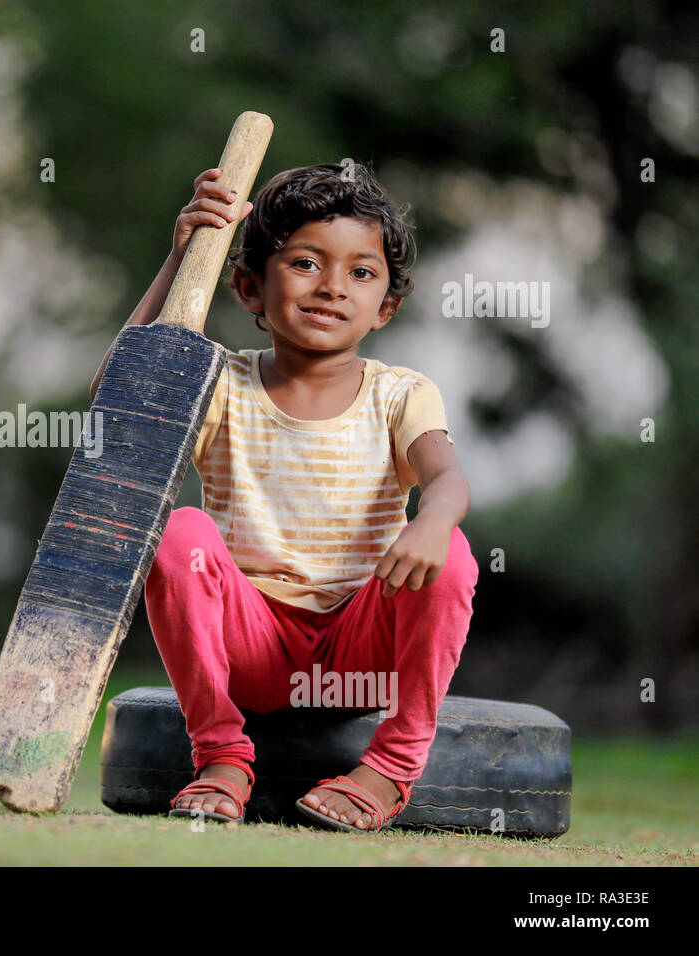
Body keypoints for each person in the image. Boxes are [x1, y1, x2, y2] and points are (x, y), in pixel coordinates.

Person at [88, 162, 478, 831]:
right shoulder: (218, 383)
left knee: (456, 552)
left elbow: (446, 479)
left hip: (360, 656)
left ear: (386, 306)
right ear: (248, 287)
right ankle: (221, 757)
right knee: (180, 530)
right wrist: (184, 256)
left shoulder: (401, 394)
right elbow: (117, 409)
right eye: (304, 262)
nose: (331, 286)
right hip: (254, 653)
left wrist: (434, 520)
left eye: (361, 272)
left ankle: (389, 772)